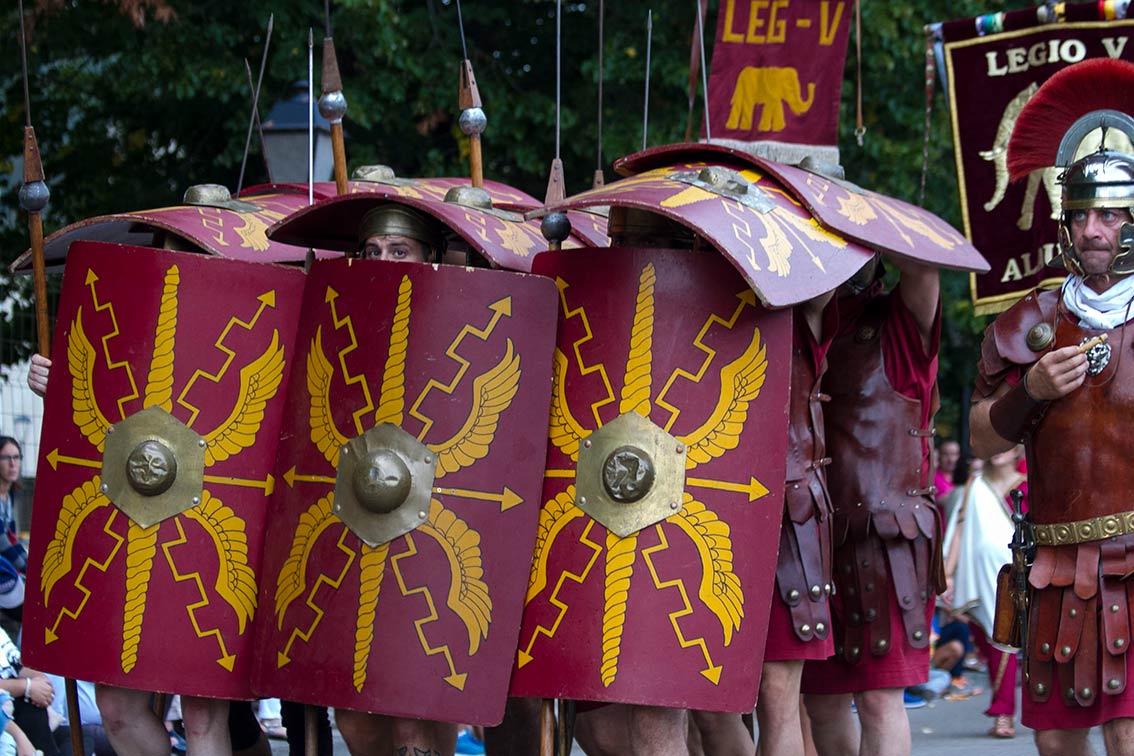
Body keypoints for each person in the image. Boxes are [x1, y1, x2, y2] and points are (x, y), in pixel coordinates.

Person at [969, 59, 1134, 756]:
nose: (1092, 228)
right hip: (1055, 569)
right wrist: (1028, 391)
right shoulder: (1027, 319)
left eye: (1110, 212)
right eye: (1081, 213)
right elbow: (979, 439)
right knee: (1058, 749)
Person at [801, 250, 941, 756]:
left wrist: (865, 223)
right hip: (813, 535)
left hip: (887, 537)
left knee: (880, 699)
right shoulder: (807, 323)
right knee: (821, 702)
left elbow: (925, 268)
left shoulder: (900, 322)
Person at [942, 446, 1026, 738]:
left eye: (1006, 446)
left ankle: (1004, 713)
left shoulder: (1027, 484)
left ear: (1018, 450)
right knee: (991, 643)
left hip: (1016, 576)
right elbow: (960, 528)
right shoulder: (975, 484)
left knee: (1003, 642)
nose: (999, 451)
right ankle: (1004, 709)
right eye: (995, 445)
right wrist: (948, 573)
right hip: (975, 578)